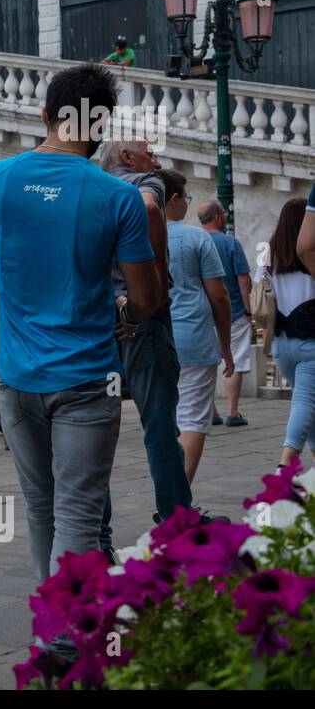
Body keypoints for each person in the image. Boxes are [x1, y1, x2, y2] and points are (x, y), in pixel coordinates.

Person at [0, 63, 161, 587]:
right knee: (79, 514)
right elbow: (147, 297)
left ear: (46, 115)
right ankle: (66, 635)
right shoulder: (120, 198)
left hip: (18, 379)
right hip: (88, 379)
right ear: (100, 128)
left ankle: (53, 625)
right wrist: (125, 317)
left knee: (42, 507)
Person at [96, 138, 205, 552]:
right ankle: (177, 520)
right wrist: (155, 284)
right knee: (159, 426)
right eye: (151, 153)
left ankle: (98, 535)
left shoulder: (91, 189)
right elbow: (147, 208)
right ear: (128, 158)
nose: (158, 163)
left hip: (101, 324)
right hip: (141, 323)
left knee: (95, 430)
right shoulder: (146, 181)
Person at [162, 170, 234, 485]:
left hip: (153, 339)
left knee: (164, 421)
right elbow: (219, 296)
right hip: (192, 337)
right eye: (186, 198)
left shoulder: (136, 235)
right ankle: (176, 500)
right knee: (192, 419)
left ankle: (167, 492)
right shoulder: (195, 237)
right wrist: (227, 345)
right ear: (174, 199)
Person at [267, 191, 315, 466]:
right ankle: (286, 464)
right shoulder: (310, 258)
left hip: (283, 345)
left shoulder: (272, 258)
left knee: (308, 404)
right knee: (305, 404)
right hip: (310, 343)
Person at [198, 199, 253, 426]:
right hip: (233, 312)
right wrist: (249, 311)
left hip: (203, 312)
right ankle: (232, 411)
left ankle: (212, 413)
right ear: (218, 217)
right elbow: (243, 280)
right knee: (237, 360)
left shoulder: (197, 241)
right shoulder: (231, 243)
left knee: (209, 363)